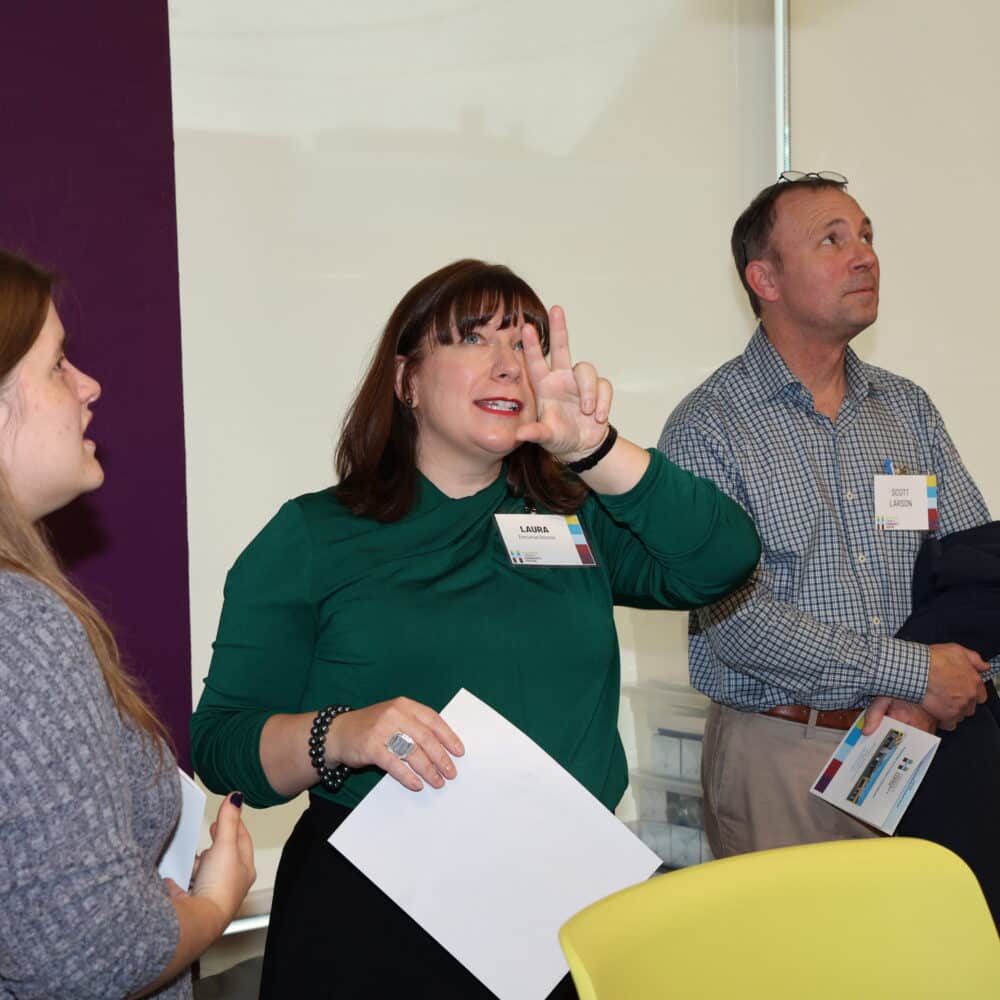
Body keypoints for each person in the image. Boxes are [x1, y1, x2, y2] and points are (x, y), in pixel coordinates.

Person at [191, 258, 760, 999]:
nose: (506, 365)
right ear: (407, 382)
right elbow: (223, 745)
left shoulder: (575, 517)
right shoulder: (312, 536)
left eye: (524, 344)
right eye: (472, 339)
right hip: (377, 908)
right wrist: (347, 732)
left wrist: (594, 449)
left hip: (563, 900)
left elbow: (725, 559)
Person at [659, 172, 995, 859]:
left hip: (924, 742)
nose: (864, 255)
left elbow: (978, 569)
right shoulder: (709, 427)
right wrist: (912, 673)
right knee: (795, 966)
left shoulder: (908, 409)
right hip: (785, 753)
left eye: (866, 235)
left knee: (924, 964)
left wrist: (931, 691)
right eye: (832, 240)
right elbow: (738, 624)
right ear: (766, 279)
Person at [0, 250, 256, 999]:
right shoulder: (18, 625)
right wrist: (216, 899)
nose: (89, 386)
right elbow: (90, 961)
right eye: (56, 366)